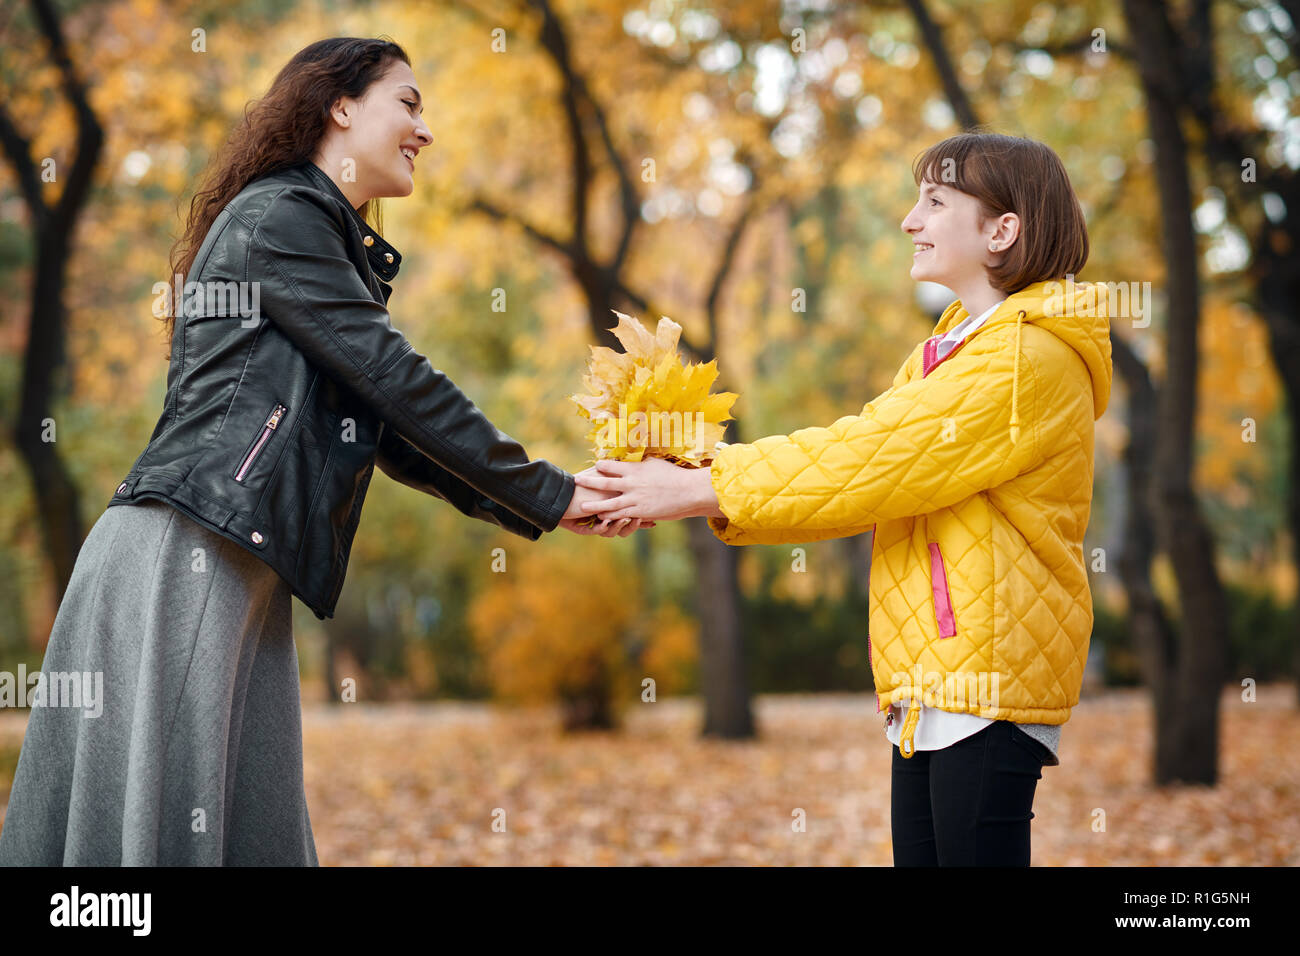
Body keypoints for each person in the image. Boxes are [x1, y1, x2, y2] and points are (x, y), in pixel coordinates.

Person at [0, 36, 647, 867]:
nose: (425, 130)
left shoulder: (312, 235)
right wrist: (549, 491)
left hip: (239, 562)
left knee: (250, 832)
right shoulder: (281, 216)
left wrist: (548, 502)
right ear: (340, 105)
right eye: (408, 103)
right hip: (189, 551)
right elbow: (394, 378)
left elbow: (389, 427)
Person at [577, 131, 1113, 866]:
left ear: (1002, 231)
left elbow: (865, 460)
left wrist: (700, 487)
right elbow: (858, 472)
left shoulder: (1026, 358)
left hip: (984, 681)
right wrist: (693, 473)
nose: (909, 220)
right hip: (934, 683)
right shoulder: (951, 350)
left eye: (935, 202)